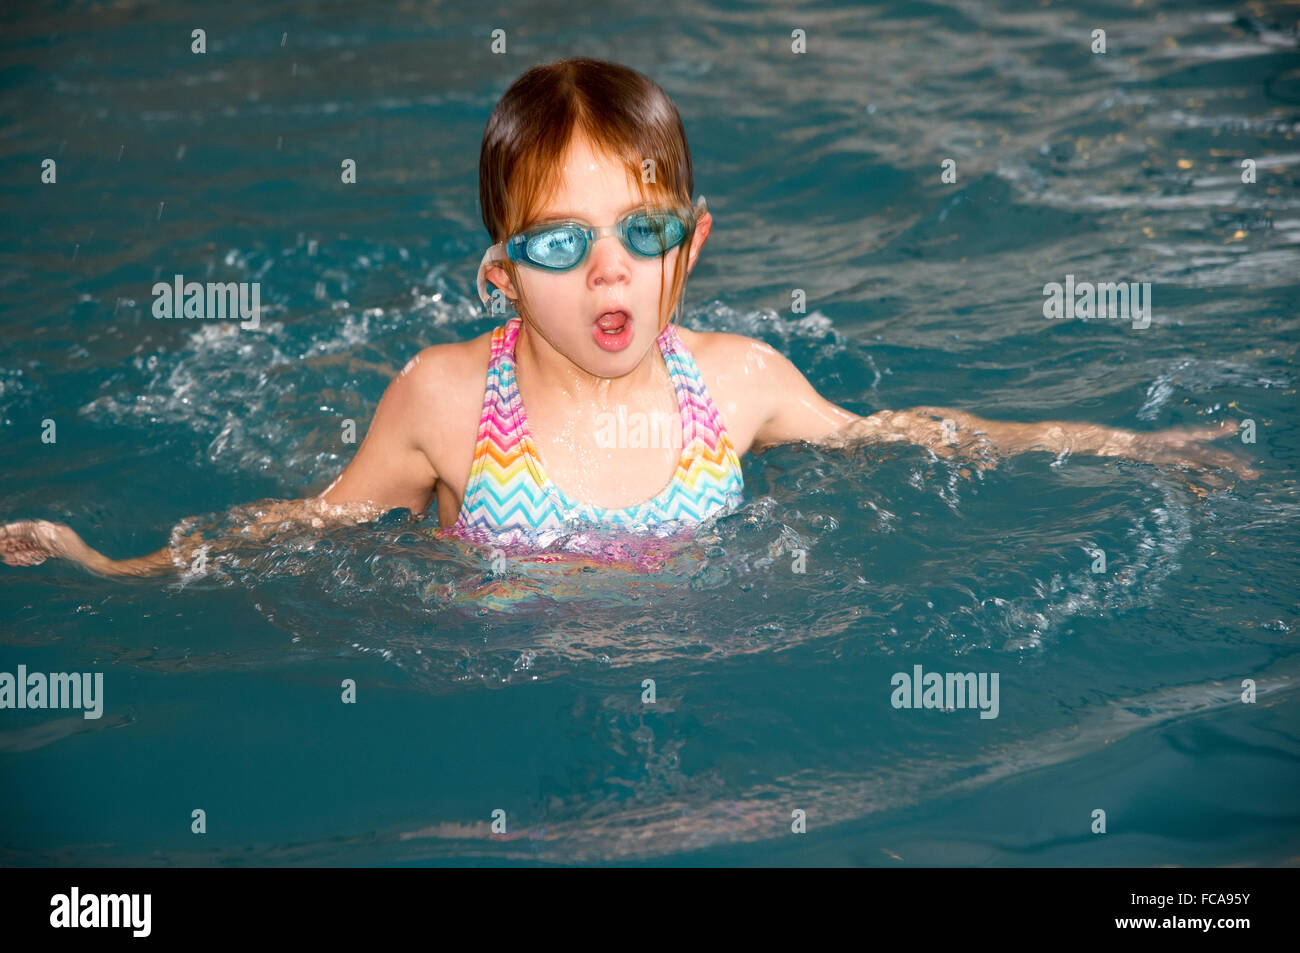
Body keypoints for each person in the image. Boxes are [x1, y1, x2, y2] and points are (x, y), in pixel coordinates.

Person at [0, 57, 1257, 579]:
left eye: (641, 235)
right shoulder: (443, 401)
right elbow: (297, 530)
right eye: (561, 245)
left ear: (689, 245)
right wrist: (113, 567)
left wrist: (1126, 451)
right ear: (501, 275)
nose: (609, 274)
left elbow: (919, 434)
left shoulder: (743, 384)